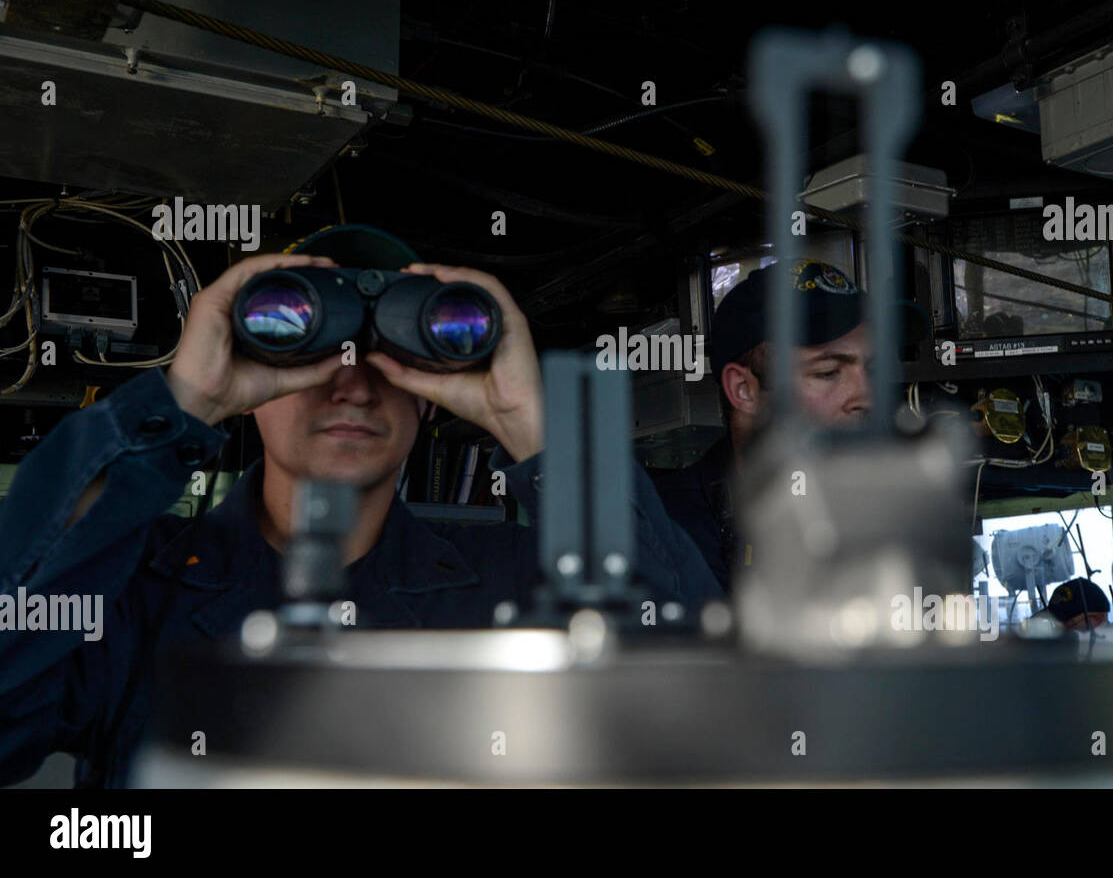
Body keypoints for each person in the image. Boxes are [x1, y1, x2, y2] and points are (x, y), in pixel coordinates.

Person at [0, 227, 721, 787]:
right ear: (255, 384)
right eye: (303, 341)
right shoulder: (136, 589)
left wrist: (535, 426)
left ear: (429, 394)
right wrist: (184, 401)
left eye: (389, 350)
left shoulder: (514, 586)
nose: (352, 383)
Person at [654, 259, 873, 593]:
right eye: (827, 372)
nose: (866, 396)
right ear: (744, 390)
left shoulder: (895, 511)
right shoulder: (665, 536)